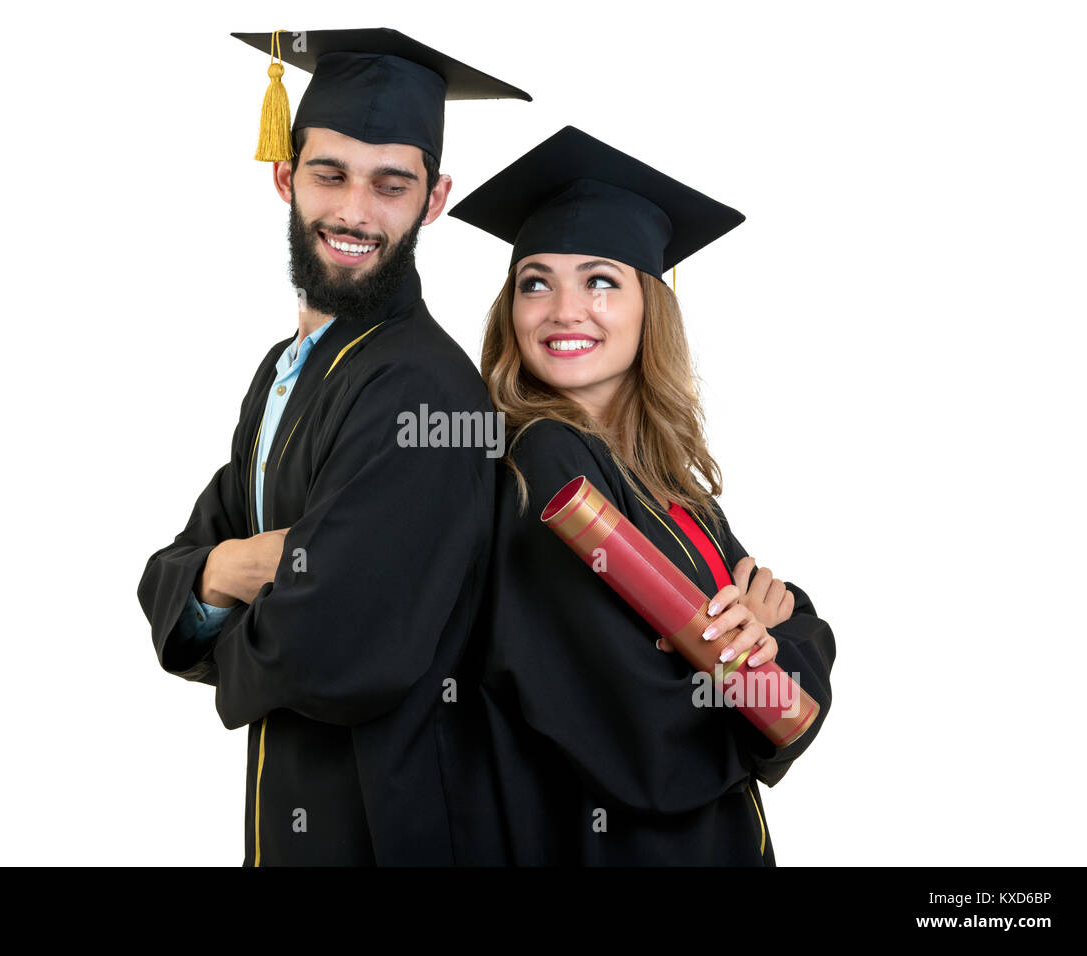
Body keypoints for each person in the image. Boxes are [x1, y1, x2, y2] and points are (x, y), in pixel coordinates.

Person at [137, 28, 529, 866]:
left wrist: (238, 587)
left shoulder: (424, 388)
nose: (355, 212)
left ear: (434, 199)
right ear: (285, 176)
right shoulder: (282, 372)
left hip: (402, 827)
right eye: (329, 174)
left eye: (392, 185)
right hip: (292, 815)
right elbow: (177, 565)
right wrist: (233, 568)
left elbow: (341, 644)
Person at [447, 126, 836, 865]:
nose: (564, 310)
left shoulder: (673, 486)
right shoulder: (542, 463)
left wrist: (756, 645)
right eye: (536, 281)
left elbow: (800, 619)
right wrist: (754, 664)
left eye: (600, 280)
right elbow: (643, 729)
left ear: (650, 304)